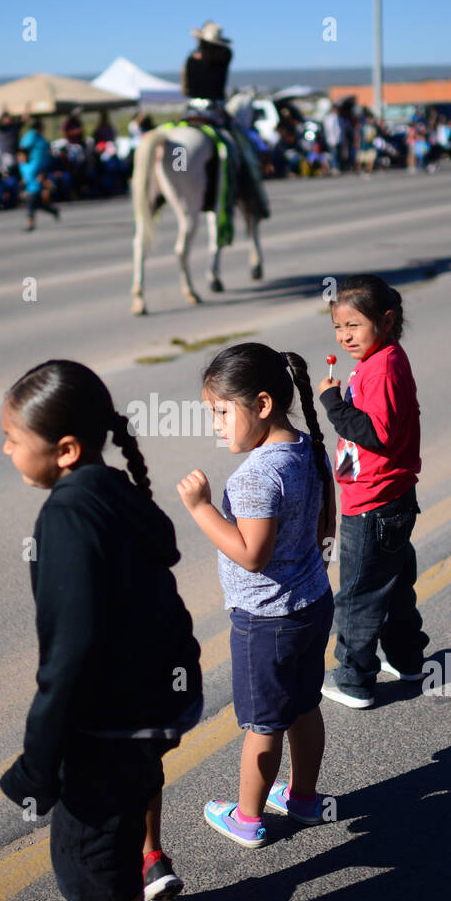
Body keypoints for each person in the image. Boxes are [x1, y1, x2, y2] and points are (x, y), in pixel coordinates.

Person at [0, 361, 202, 901]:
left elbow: (70, 652)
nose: (5, 450)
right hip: (160, 696)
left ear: (64, 449)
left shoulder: (66, 514)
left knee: (95, 843)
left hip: (113, 716)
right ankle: (148, 866)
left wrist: (39, 760)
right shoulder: (113, 489)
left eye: (10, 438)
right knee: (127, 799)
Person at [176, 343, 335, 848]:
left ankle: (247, 818)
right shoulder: (306, 446)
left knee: (263, 724)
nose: (217, 425)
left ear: (262, 405)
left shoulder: (255, 475)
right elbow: (324, 524)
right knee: (305, 706)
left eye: (223, 412)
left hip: (266, 621)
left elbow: (251, 555)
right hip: (311, 603)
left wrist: (202, 508)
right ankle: (305, 799)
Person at [318, 275, 428, 708]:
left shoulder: (381, 367)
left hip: (373, 506)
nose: (345, 337)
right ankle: (407, 659)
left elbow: (374, 434)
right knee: (395, 584)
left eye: (354, 326)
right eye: (338, 329)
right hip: (388, 498)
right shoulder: (381, 359)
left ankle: (353, 678)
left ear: (385, 321)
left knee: (359, 593)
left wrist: (332, 404)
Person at [181, 21, 270, 219]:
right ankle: (247, 186)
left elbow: (185, 88)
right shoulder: (225, 57)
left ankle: (181, 174)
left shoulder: (190, 60)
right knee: (241, 143)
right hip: (215, 111)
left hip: (191, 110)